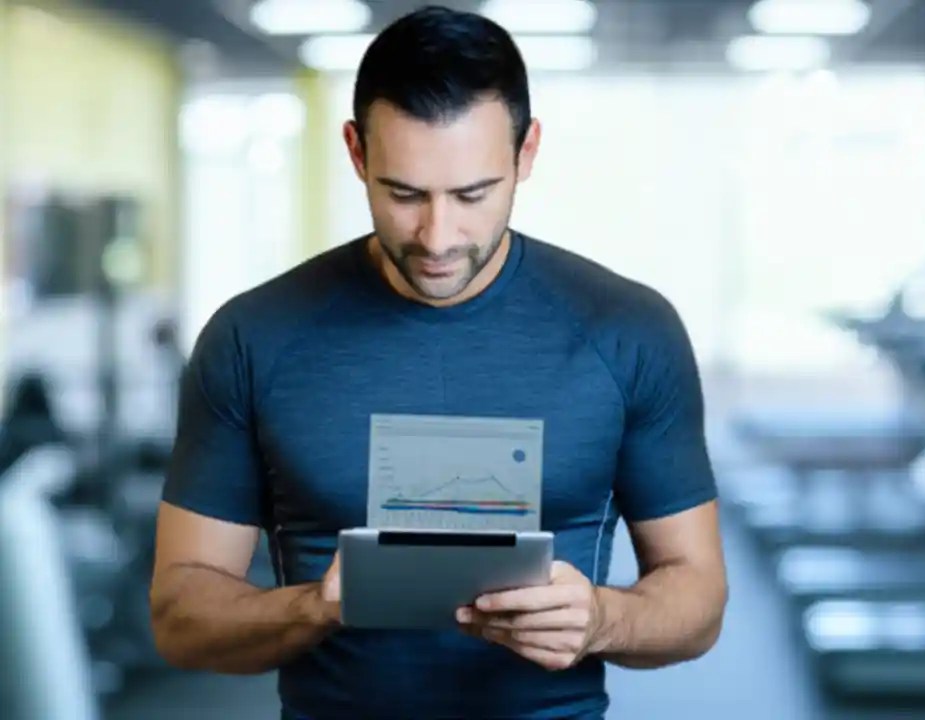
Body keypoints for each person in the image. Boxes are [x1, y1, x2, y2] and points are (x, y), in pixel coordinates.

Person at [147, 5, 728, 719]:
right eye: (404, 194)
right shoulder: (252, 336)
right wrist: (314, 607)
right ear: (357, 153)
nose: (438, 235)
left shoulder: (629, 331)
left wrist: (603, 618)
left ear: (527, 153)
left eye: (472, 195)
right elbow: (179, 616)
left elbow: (698, 597)